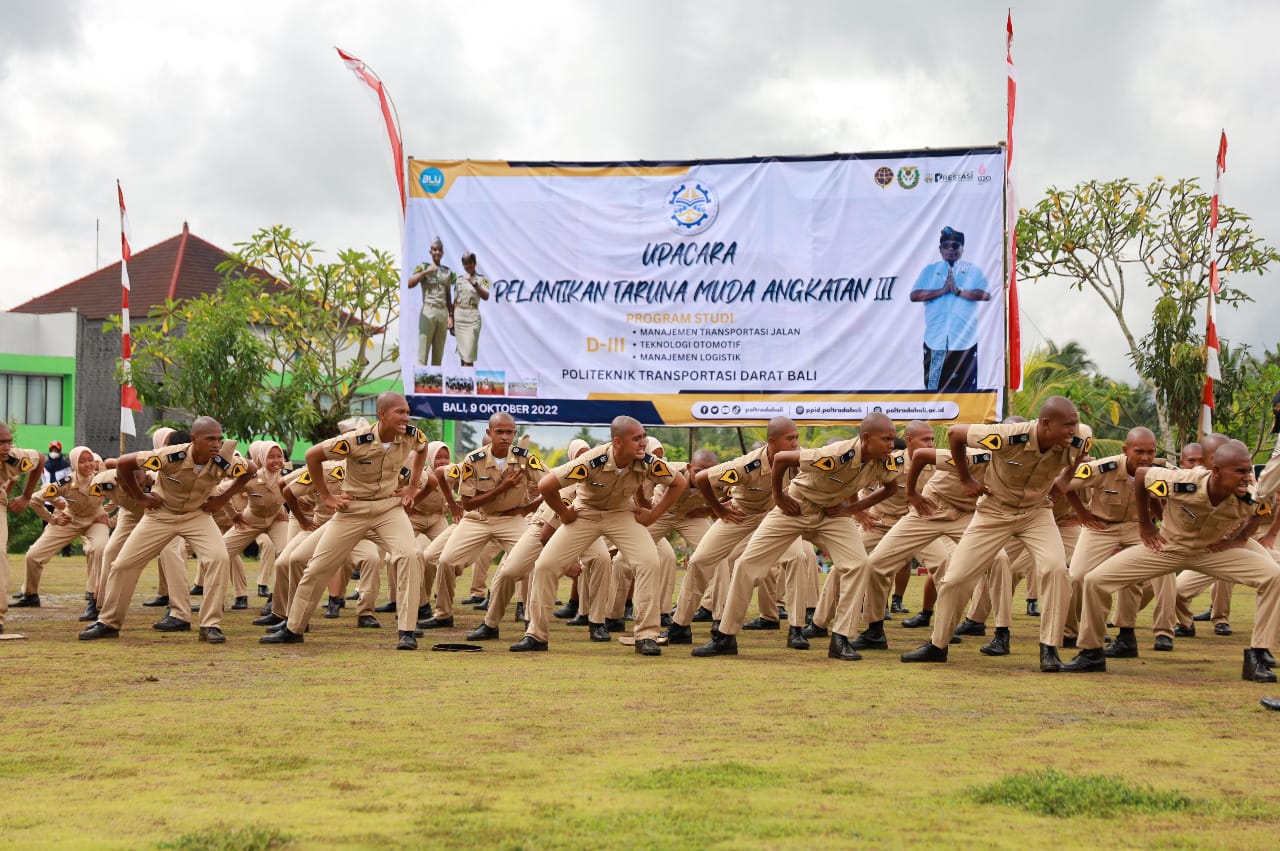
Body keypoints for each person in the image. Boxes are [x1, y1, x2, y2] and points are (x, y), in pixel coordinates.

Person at [1062, 440, 1280, 682]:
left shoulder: (1249, 495)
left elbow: (1262, 510)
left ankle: (1258, 655)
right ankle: (1091, 652)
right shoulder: (1184, 482)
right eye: (1240, 471)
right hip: (1169, 547)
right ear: (1217, 471)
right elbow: (1142, 476)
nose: (1247, 477)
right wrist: (1146, 524)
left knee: (1273, 576)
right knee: (1095, 581)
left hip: (1211, 552)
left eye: (1248, 470)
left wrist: (1239, 539)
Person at [901, 396, 1089, 672]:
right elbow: (955, 434)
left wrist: (1066, 477)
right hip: (994, 512)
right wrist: (965, 478)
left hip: (1036, 512)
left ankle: (1049, 648)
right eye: (1067, 425)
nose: (1073, 430)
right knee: (955, 579)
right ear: (1046, 423)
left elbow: (1082, 448)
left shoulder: (1079, 437)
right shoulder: (1007, 436)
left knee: (1055, 569)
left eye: (1075, 424)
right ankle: (937, 645)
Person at [693, 413, 900, 658]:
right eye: (886, 439)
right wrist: (779, 497)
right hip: (796, 507)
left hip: (832, 514)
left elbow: (890, 488)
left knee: (858, 565)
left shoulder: (883, 461)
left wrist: (852, 509)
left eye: (892, 439)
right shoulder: (834, 455)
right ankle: (725, 637)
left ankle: (841, 638)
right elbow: (782, 459)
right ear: (866, 438)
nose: (891, 445)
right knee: (747, 565)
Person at [261, 393, 428, 650]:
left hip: (388, 509)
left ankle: (407, 631)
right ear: (382, 414)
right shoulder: (354, 441)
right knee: (318, 567)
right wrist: (327, 496)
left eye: (407, 412)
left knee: (410, 555)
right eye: (400, 412)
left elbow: (423, 449)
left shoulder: (412, 435)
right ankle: (293, 628)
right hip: (352, 510)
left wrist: (413, 486)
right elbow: (313, 456)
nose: (406, 417)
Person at [517, 416, 687, 655]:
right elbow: (546, 485)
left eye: (644, 437)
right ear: (618, 442)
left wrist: (654, 515)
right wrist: (564, 513)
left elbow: (679, 482)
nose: (643, 443)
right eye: (636, 438)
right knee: (546, 565)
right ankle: (536, 635)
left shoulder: (647, 461)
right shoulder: (591, 461)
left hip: (621, 514)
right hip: (586, 513)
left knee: (649, 562)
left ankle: (646, 636)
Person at [80, 417, 254, 643]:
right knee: (123, 564)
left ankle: (210, 625)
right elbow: (123, 463)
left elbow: (251, 470)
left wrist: (222, 498)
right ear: (194, 439)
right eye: (210, 439)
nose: (216, 444)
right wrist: (140, 497)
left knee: (218, 558)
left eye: (219, 439)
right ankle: (108, 622)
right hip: (161, 514)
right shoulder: (170, 456)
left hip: (196, 515)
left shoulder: (223, 460)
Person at [418, 412, 543, 629]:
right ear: (489, 432)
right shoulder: (472, 460)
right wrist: (501, 488)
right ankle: (443, 614)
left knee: (530, 561)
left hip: (511, 519)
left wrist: (527, 508)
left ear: (514, 433)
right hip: (477, 518)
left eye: (509, 432)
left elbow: (550, 485)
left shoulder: (525, 459)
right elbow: (467, 503)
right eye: (499, 432)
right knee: (446, 561)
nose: (505, 437)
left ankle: (529, 617)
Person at [19, 446, 109, 610]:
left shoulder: (102, 479)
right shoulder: (66, 482)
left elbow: (122, 496)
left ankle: (96, 599)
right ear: (74, 464)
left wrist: (110, 516)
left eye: (90, 460)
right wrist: (53, 519)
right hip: (70, 519)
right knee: (33, 556)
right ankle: (30, 595)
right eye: (82, 461)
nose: (88, 465)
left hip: (96, 520)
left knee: (100, 549)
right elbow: (35, 500)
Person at [909, 226, 992, 392]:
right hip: (936, 342)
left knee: (966, 394)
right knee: (934, 393)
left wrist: (959, 291)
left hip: (964, 342)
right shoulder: (930, 271)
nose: (950, 249)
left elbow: (985, 294)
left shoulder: (972, 270)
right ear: (940, 249)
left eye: (955, 245)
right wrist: (942, 291)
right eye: (946, 246)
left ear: (962, 249)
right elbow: (914, 295)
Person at [0, 425, 42, 635]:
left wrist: (26, 496)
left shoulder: (14, 458)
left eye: (9, 441)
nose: (6, 446)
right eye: (1, 442)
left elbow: (40, 459)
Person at [407, 236, 455, 366]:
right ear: (430, 252)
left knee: (438, 356)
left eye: (439, 250)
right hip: (429, 310)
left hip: (442, 312)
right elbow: (409, 284)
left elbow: (448, 295)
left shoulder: (447, 272)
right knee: (422, 354)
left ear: (443, 253)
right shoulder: (423, 267)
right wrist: (426, 272)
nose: (437, 252)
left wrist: (451, 316)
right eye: (434, 250)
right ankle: (420, 380)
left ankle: (435, 380)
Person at [452, 251, 490, 367]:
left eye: (470, 263)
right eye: (465, 263)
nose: (467, 266)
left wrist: (474, 283)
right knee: (462, 354)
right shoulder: (459, 279)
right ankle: (465, 377)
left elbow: (486, 296)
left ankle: (468, 377)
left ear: (475, 263)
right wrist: (451, 318)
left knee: (469, 354)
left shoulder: (482, 279)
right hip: (460, 317)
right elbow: (455, 300)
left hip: (472, 317)